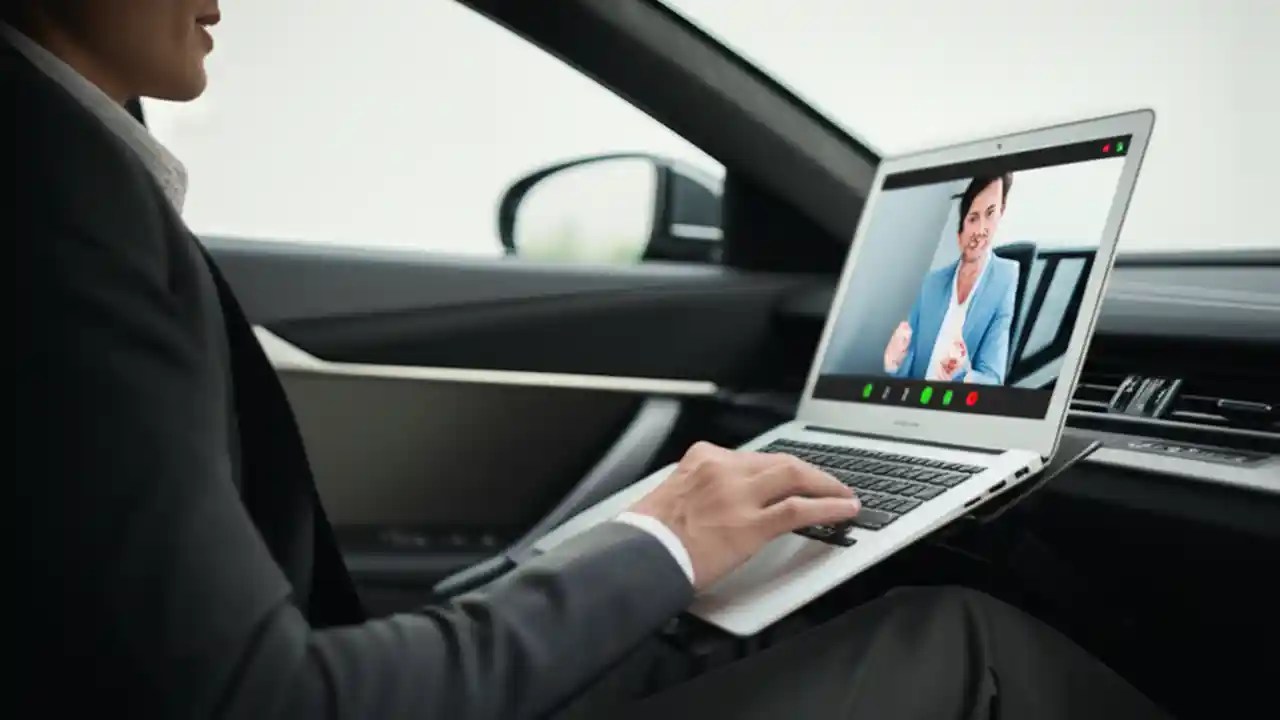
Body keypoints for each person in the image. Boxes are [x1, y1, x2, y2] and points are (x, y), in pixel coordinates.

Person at [10, 1, 1170, 718]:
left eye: (993, 217)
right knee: (960, 641)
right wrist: (658, 546)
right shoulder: (54, 199)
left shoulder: (73, 174)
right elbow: (259, 699)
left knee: (731, 626)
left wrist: (627, 562)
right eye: (976, 214)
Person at [883, 174, 1021, 385]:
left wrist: (962, 374)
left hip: (954, 403)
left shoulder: (1005, 278)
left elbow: (993, 379)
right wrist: (895, 362)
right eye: (973, 218)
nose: (980, 230)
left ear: (1001, 211)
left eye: (990, 213)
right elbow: (907, 369)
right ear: (960, 233)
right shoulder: (933, 283)